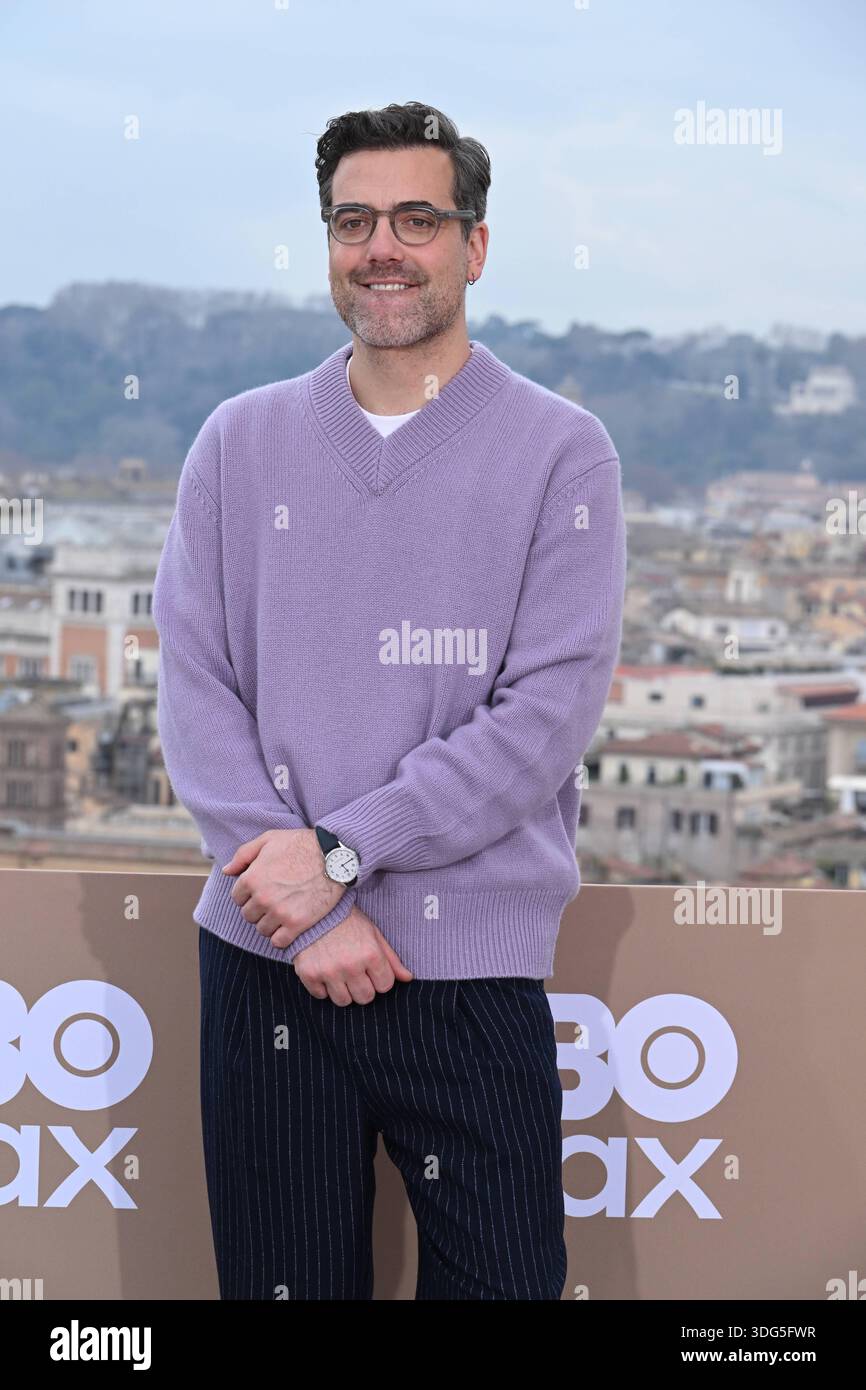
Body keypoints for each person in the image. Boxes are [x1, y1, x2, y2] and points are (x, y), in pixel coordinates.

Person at [152, 100, 627, 1300]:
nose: (382, 246)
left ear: (473, 245)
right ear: (325, 243)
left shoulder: (562, 451)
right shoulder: (235, 441)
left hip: (467, 978)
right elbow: (196, 689)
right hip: (268, 965)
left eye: (417, 219)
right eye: (353, 220)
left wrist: (346, 855)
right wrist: (308, 912)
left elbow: (545, 716)